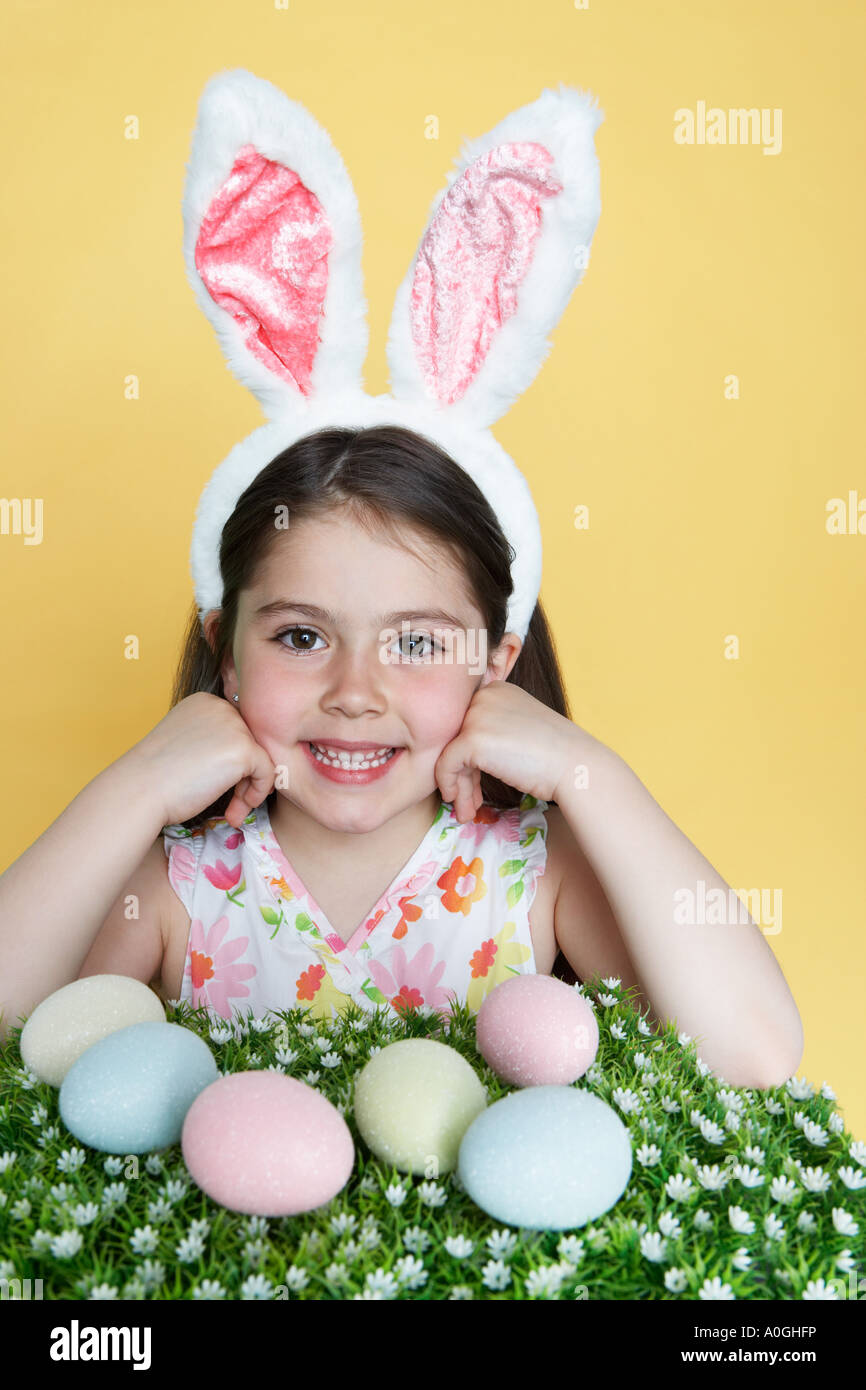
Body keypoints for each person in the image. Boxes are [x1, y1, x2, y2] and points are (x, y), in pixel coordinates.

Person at [0, 70, 803, 1088]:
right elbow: (10, 1035)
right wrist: (137, 786)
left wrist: (584, 770)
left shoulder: (531, 875)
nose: (354, 691)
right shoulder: (179, 888)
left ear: (498, 662)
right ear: (222, 646)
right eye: (298, 636)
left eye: (418, 642)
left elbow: (752, 1054)